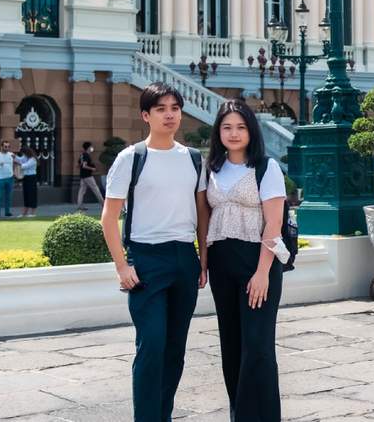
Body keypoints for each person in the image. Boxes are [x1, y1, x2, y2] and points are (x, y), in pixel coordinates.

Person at [101, 82, 209, 422]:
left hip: (184, 259)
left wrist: (202, 260)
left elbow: (202, 213)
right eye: (161, 109)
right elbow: (108, 216)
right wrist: (122, 266)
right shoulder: (131, 158)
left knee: (175, 350)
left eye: (174, 108)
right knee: (152, 346)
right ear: (146, 115)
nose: (169, 115)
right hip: (147, 260)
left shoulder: (193, 159)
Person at [204, 99, 287, 421]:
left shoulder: (266, 167)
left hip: (257, 260)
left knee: (257, 346)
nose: (234, 133)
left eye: (240, 127)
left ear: (251, 131)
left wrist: (263, 272)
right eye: (227, 127)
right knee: (232, 344)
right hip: (221, 262)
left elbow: (274, 223)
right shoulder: (211, 168)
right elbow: (204, 216)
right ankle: (239, 414)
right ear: (218, 132)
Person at [77, 141, 104, 211]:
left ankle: (80, 205)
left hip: (83, 175)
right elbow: (84, 165)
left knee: (82, 190)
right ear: (88, 148)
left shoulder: (82, 155)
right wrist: (92, 168)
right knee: (95, 189)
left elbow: (78, 165)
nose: (92, 148)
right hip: (88, 176)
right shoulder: (86, 155)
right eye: (91, 147)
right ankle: (103, 204)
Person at [0, 140, 15, 217]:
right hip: (0, 178)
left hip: (10, 178)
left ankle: (7, 212)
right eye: (5, 146)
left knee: (8, 196)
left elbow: (17, 163)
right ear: (1, 146)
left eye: (8, 147)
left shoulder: (11, 155)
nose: (7, 148)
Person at [16, 146, 39, 217]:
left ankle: (33, 213)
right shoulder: (25, 157)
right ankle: (25, 212)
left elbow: (25, 166)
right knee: (26, 194)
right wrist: (14, 157)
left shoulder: (33, 159)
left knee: (32, 194)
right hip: (25, 178)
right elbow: (20, 160)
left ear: (27, 153)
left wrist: (17, 163)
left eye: (24, 153)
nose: (23, 155)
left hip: (32, 178)